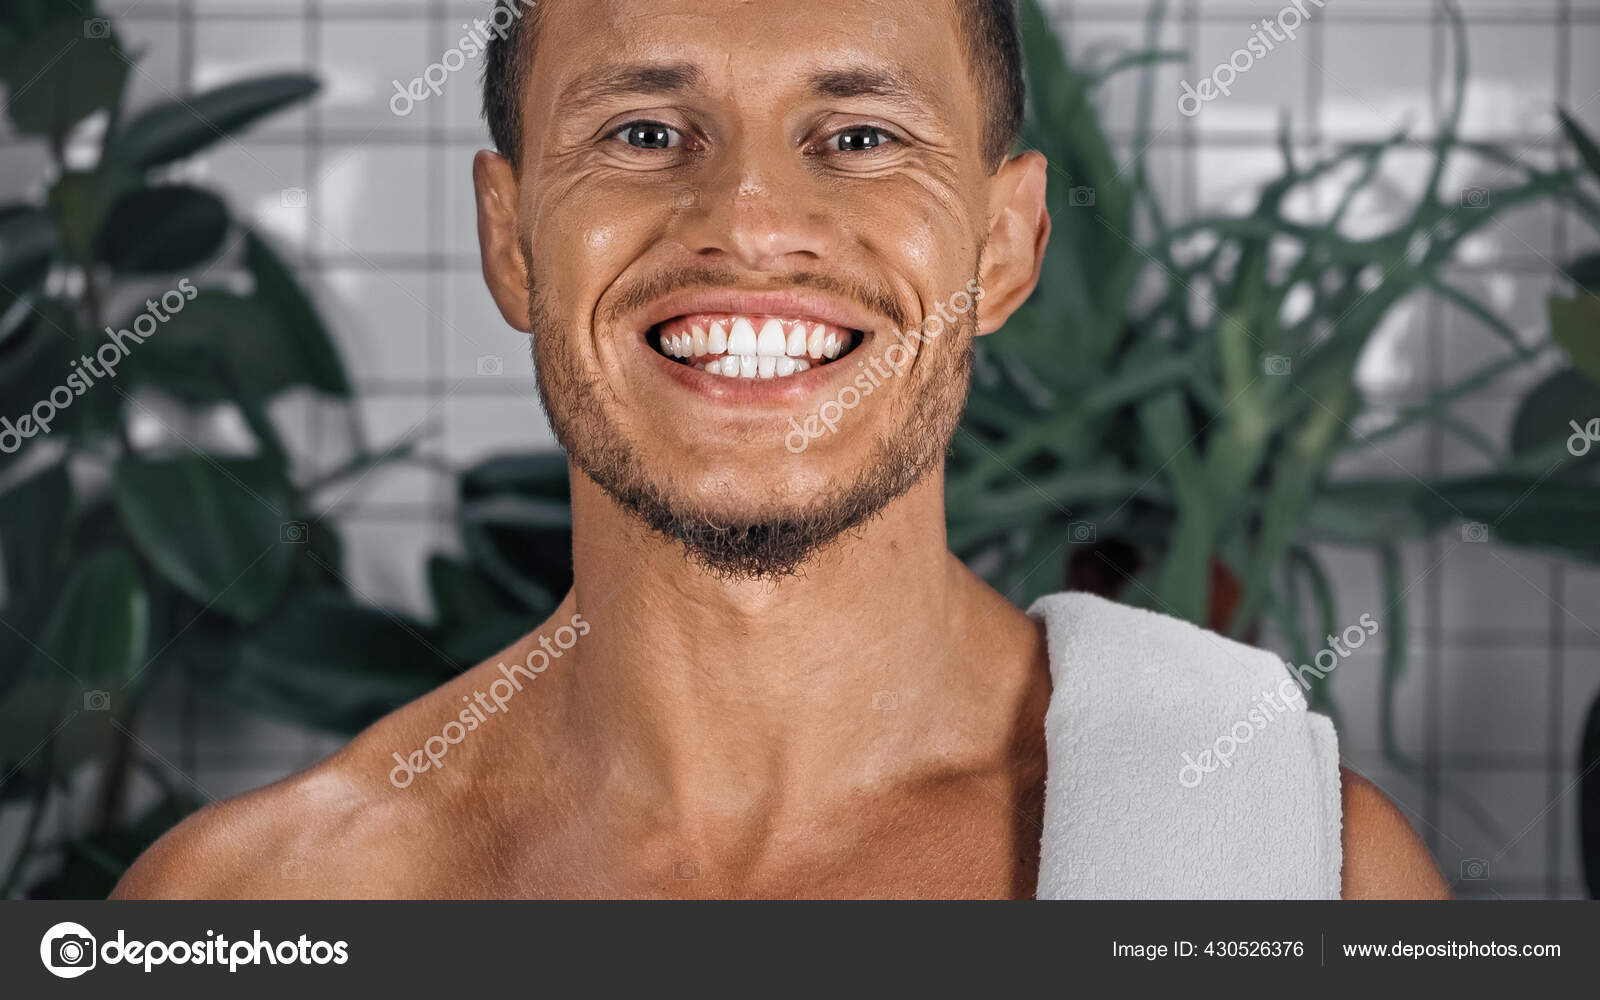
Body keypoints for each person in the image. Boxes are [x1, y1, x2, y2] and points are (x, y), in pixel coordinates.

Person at [114, 0, 1448, 900]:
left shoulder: (1305, 869)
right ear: (512, 239)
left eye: (860, 138)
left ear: (1005, 246)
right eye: (644, 134)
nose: (750, 224)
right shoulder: (254, 904)